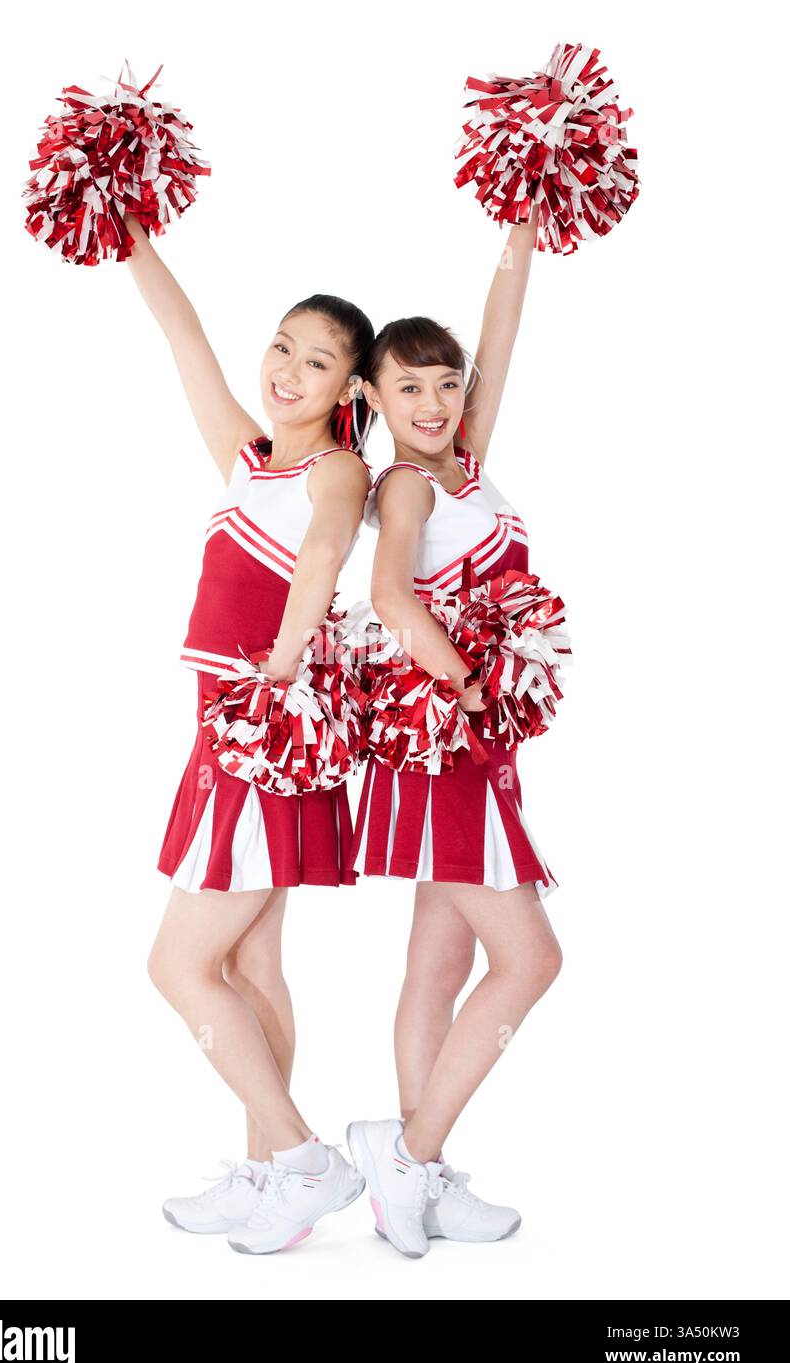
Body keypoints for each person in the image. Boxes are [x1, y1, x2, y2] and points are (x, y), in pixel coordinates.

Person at [124, 211, 372, 1253]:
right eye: (280, 344)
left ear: (347, 391)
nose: (285, 370)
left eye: (316, 362)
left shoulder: (336, 472)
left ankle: (302, 1153)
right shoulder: (249, 458)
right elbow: (183, 337)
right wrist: (126, 229)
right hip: (226, 724)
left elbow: (319, 557)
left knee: (177, 966)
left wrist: (279, 660)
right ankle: (273, 1173)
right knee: (252, 964)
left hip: (260, 729)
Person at [346, 211, 565, 1257]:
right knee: (528, 959)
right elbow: (391, 593)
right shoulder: (402, 482)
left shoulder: (466, 461)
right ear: (374, 402)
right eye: (408, 388)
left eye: (445, 384)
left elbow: (503, 319)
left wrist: (523, 212)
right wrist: (466, 684)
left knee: (437, 962)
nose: (432, 403)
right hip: (447, 739)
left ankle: (414, 1186)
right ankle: (411, 1153)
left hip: (475, 746)